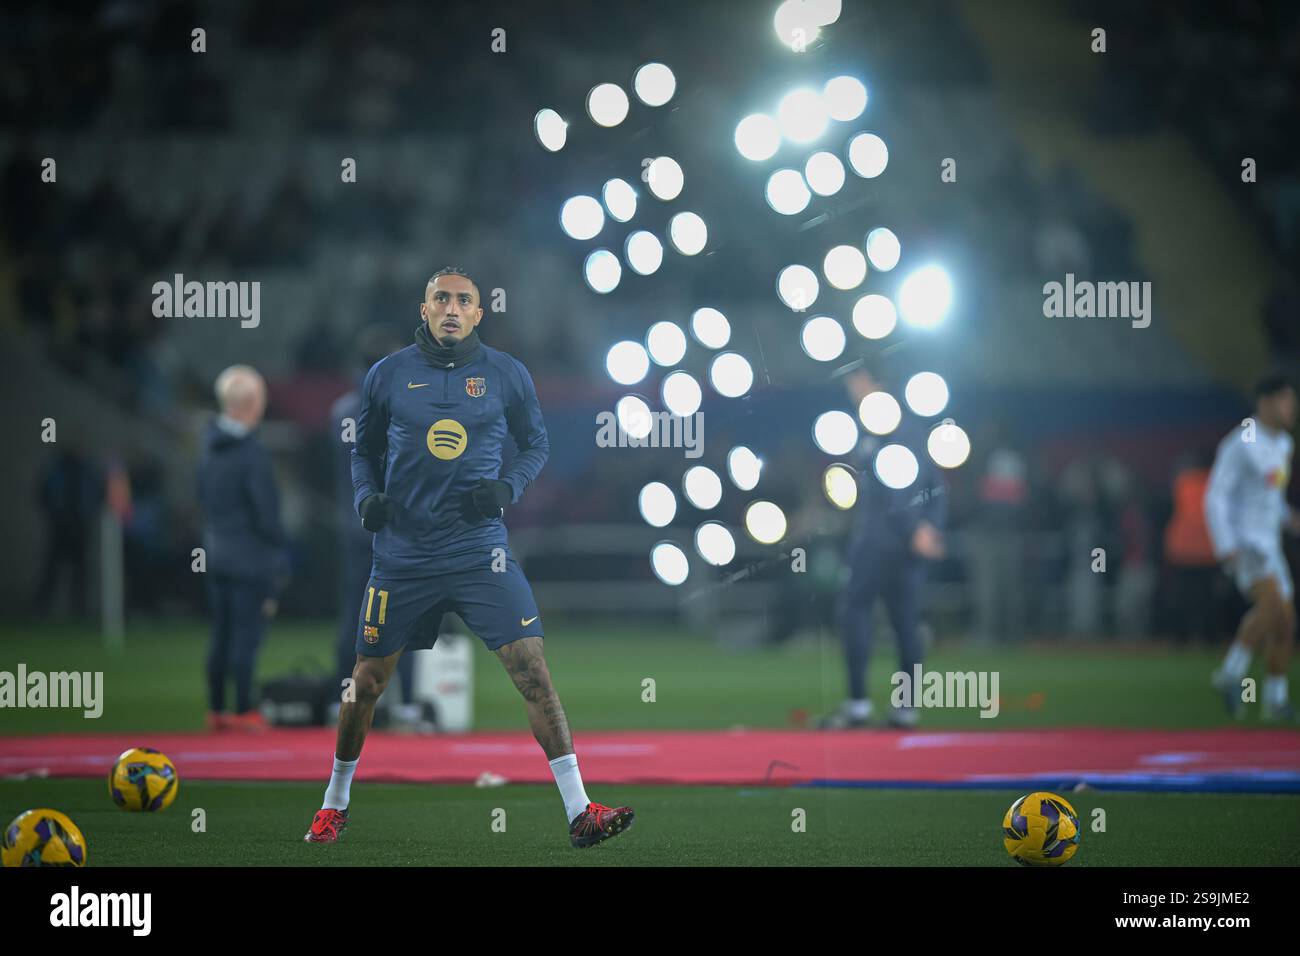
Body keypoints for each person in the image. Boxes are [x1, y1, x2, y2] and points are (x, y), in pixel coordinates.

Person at [304, 267, 633, 848]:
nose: (452, 308)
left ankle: (580, 811)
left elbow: (536, 445)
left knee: (533, 670)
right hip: (402, 554)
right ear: (424, 309)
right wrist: (366, 500)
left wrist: (507, 489)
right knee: (366, 681)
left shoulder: (506, 374)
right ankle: (334, 802)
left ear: (480, 313)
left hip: (481, 551)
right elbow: (363, 454)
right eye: (441, 299)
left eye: (463, 300)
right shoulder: (387, 375)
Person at [820, 357, 947, 729]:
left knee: (854, 611)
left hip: (879, 539)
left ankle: (859, 704)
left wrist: (915, 531)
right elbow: (937, 486)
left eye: (853, 383)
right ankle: (906, 709)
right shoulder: (913, 429)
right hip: (906, 542)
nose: (851, 392)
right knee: (905, 621)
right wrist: (929, 530)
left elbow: (896, 491)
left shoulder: (883, 429)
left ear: (866, 380)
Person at [329, 326, 433, 731]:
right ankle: (405, 706)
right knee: (404, 618)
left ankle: (344, 702)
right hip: (394, 531)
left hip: (353, 526)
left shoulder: (340, 410)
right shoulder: (400, 409)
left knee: (354, 618)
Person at [197, 365, 292, 732]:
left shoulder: (208, 446)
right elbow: (265, 512)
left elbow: (200, 497)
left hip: (216, 551)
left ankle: (217, 708)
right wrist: (280, 549)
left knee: (220, 632)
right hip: (251, 557)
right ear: (252, 402)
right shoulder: (251, 452)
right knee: (246, 634)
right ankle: (243, 709)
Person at [1205, 373, 1298, 722]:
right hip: (1245, 541)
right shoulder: (1243, 439)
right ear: (1266, 402)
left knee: (1286, 623)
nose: (1292, 408)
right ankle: (1230, 674)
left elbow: (1270, 497)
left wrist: (1290, 518)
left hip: (1270, 543)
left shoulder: (1284, 444)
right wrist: (1225, 543)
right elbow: (1217, 494)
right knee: (1272, 605)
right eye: (1286, 400)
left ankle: (1274, 699)